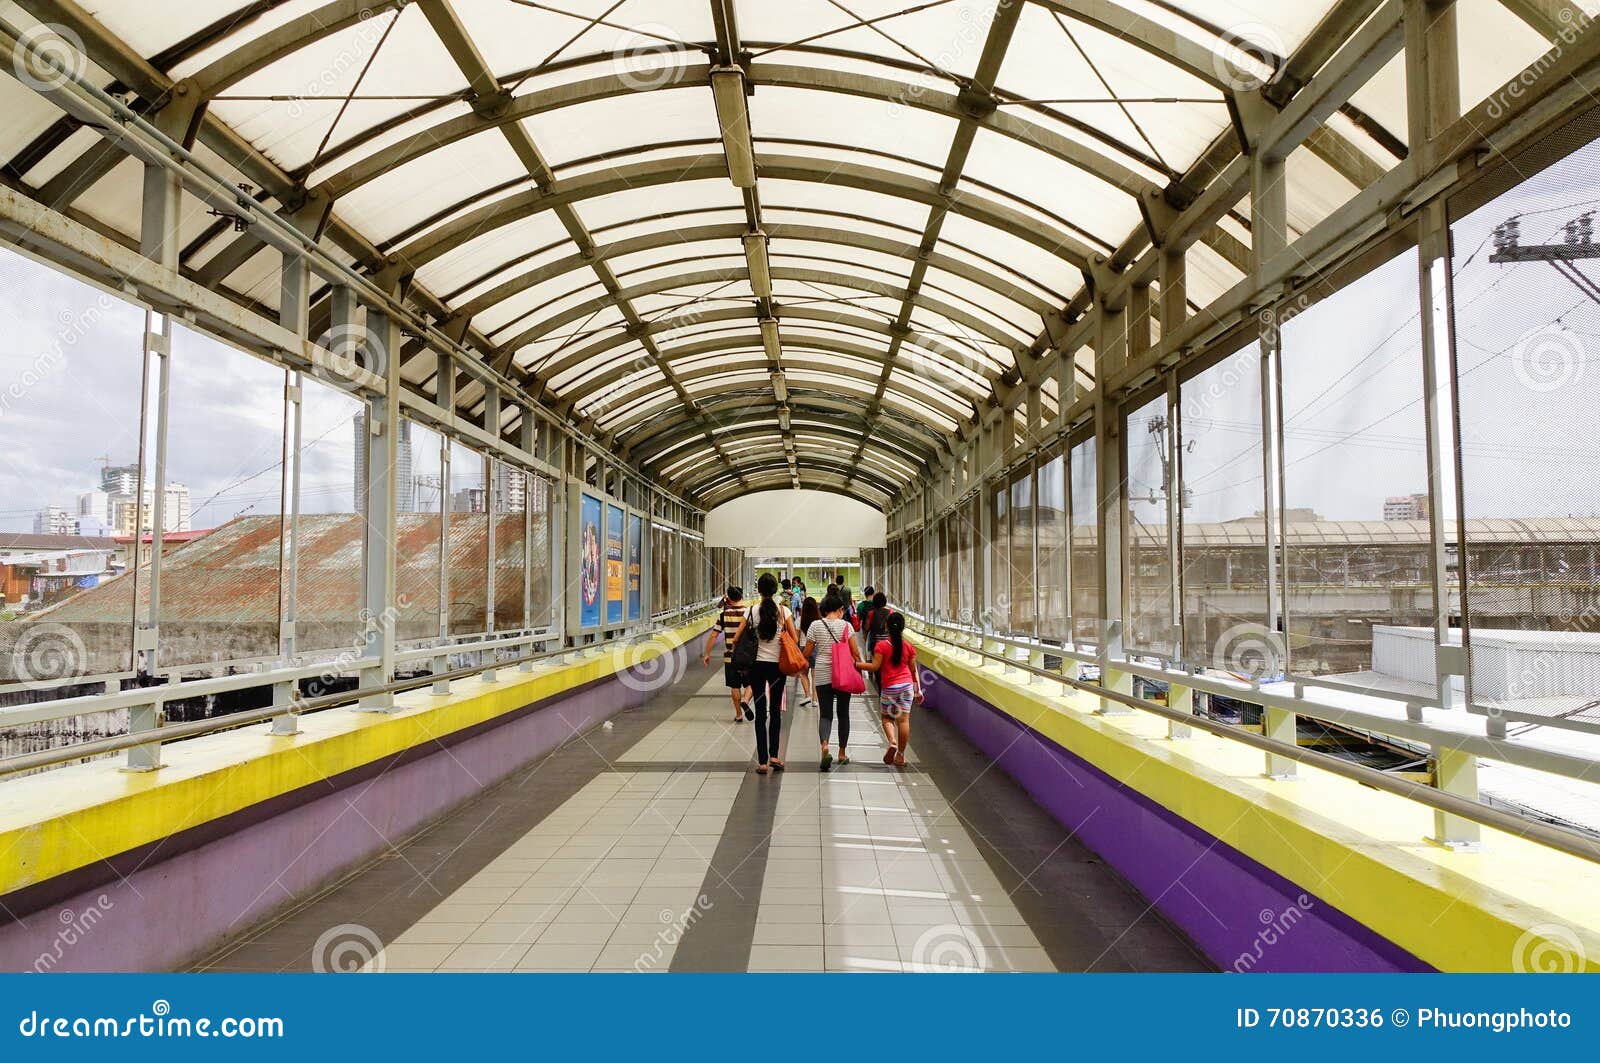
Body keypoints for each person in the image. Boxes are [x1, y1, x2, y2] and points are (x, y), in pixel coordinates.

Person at [727, 572, 799, 773]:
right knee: (775, 711)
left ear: (759, 590)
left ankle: (763, 762)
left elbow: (735, 639)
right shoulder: (783, 611)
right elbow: (794, 638)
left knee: (760, 713)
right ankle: (775, 756)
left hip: (756, 667)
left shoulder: (751, 611)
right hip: (777, 667)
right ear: (775, 590)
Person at [802, 593, 863, 771]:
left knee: (825, 714)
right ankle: (842, 753)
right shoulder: (846, 626)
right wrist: (858, 671)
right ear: (840, 609)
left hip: (822, 673)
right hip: (843, 673)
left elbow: (807, 652)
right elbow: (855, 653)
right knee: (843, 714)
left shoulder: (815, 625)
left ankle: (825, 746)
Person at [857, 612, 921, 767]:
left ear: (886, 626)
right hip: (907, 687)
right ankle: (900, 756)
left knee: (887, 718)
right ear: (903, 627)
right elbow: (913, 671)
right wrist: (918, 690)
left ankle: (892, 741)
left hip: (890, 687)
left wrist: (856, 664)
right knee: (903, 720)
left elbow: (874, 667)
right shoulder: (909, 647)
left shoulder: (882, 646)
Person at [701, 585, 754, 724]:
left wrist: (707, 654)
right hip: (748, 656)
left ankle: (738, 714)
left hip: (731, 657)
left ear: (728, 598)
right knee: (750, 683)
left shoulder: (724, 615)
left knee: (734, 686)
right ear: (742, 596)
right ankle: (745, 700)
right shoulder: (749, 613)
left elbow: (713, 635)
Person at [797, 595, 821, 707]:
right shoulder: (820, 621)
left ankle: (807, 695)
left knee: (803, 673)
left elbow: (796, 638)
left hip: (803, 648)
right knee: (815, 675)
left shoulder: (799, 620)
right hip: (816, 648)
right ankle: (815, 699)